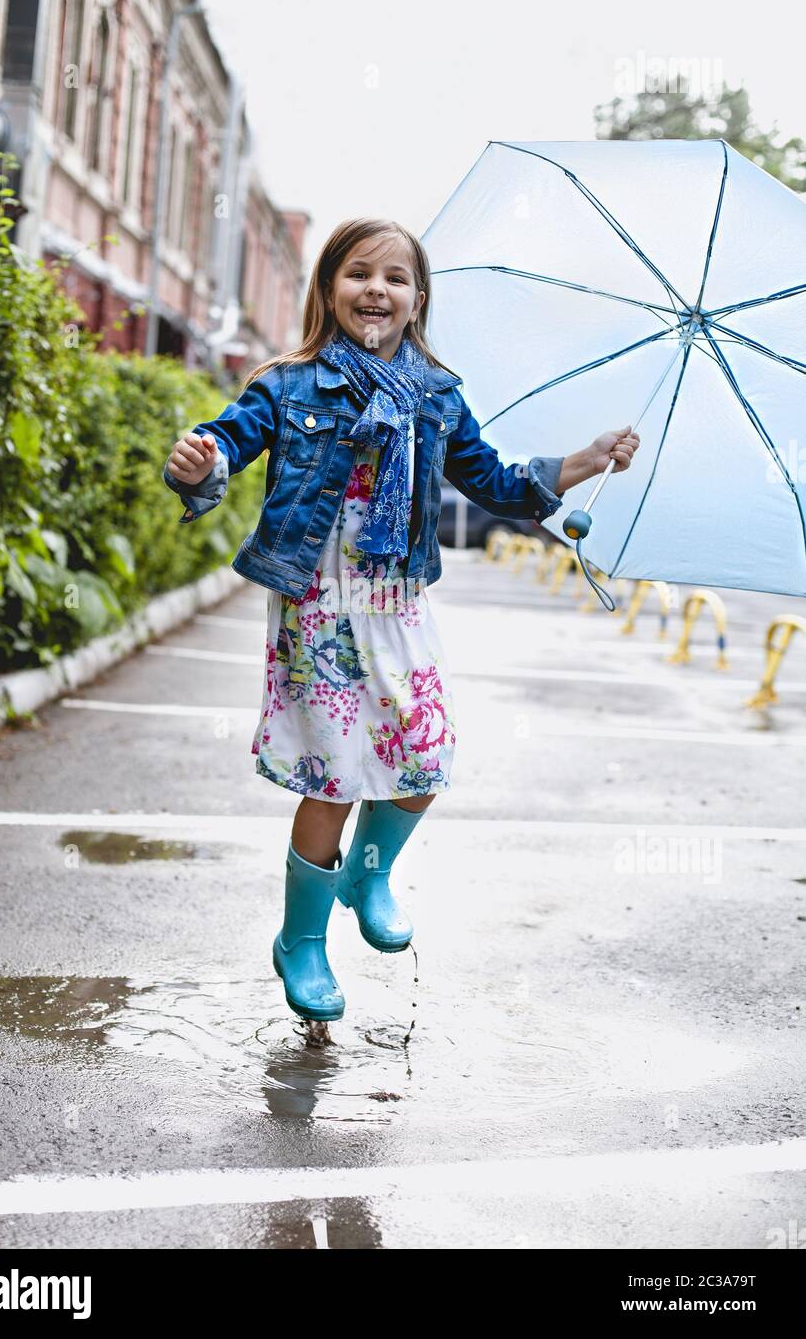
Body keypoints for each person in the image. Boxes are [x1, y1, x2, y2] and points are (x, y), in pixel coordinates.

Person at [163, 217, 640, 1024]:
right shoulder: (289, 381)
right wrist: (199, 466)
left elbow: (494, 480)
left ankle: (368, 874)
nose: (375, 289)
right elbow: (225, 444)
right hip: (315, 600)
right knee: (335, 775)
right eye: (358, 274)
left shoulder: (437, 395)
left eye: (394, 278)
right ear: (329, 289)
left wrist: (586, 461)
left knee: (425, 755)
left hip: (396, 599)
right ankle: (301, 942)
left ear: (418, 300)